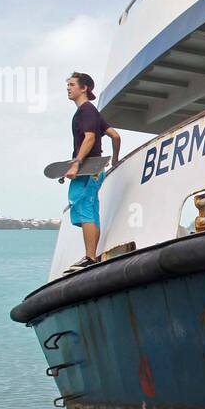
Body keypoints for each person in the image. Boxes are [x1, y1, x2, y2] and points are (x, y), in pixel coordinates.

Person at [65, 72, 120, 268]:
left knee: (83, 206)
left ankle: (89, 258)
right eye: (68, 85)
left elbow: (89, 138)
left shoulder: (86, 111)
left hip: (87, 168)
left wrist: (76, 163)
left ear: (84, 88)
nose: (68, 88)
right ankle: (91, 256)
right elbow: (115, 136)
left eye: (72, 84)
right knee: (91, 208)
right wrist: (114, 159)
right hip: (97, 167)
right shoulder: (94, 112)